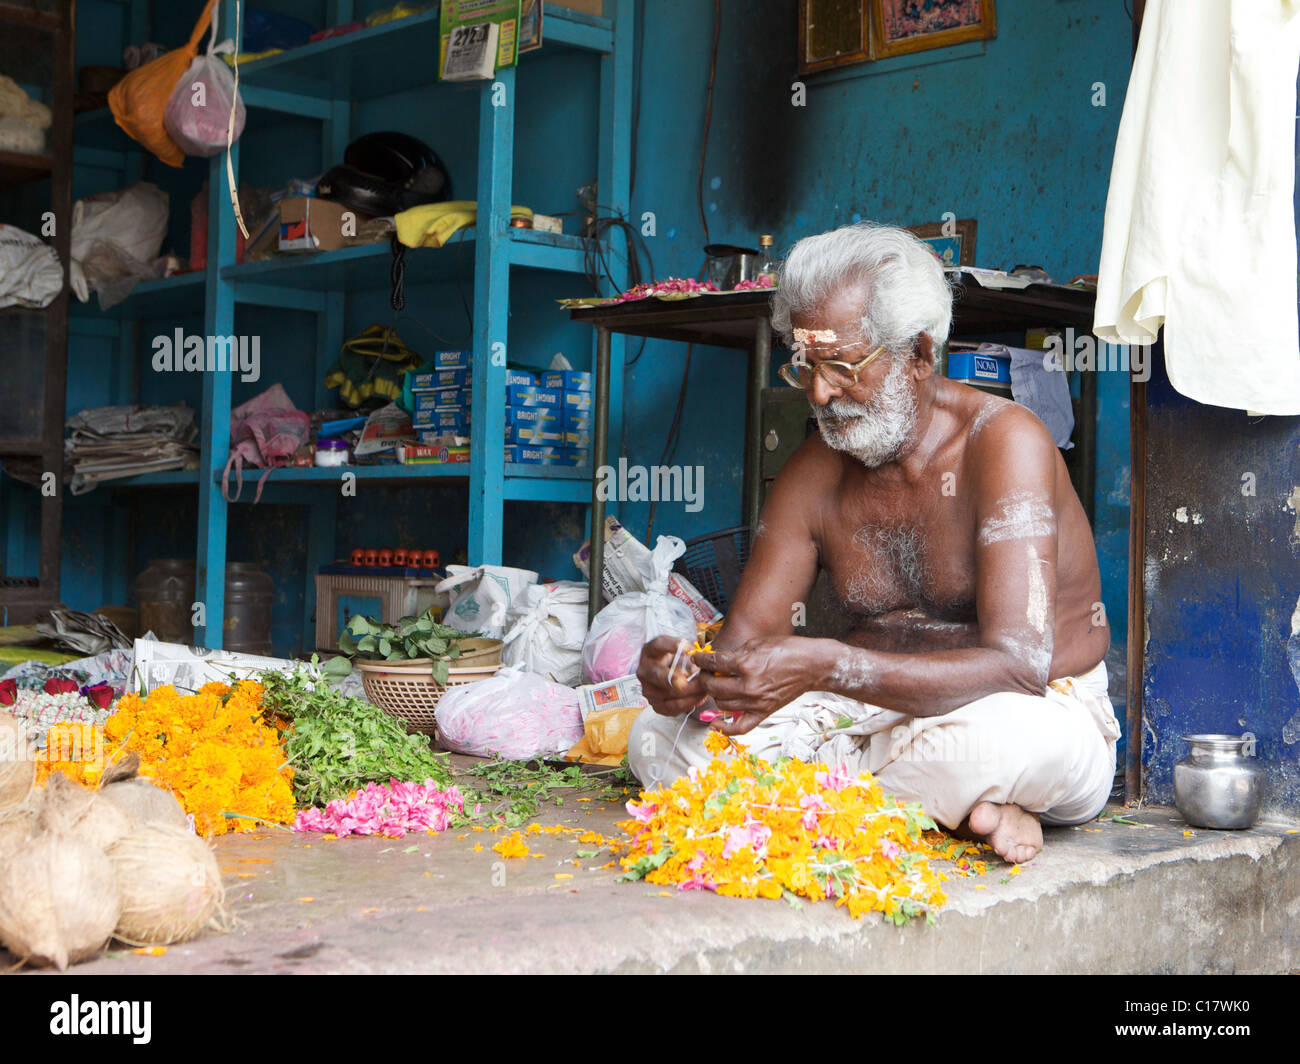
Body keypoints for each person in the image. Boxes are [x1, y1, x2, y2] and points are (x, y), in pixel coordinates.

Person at [631, 222, 1119, 864]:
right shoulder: (816, 468)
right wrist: (689, 680)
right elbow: (741, 649)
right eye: (803, 365)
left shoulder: (1004, 444)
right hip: (861, 715)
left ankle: (824, 806)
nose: (818, 392)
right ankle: (949, 812)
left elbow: (1017, 667)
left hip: (1020, 708)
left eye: (842, 366)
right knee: (657, 740)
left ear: (919, 354)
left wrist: (827, 663)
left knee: (993, 746)